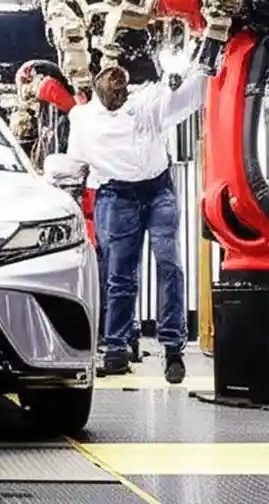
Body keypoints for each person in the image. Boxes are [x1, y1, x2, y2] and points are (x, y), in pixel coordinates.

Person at [65, 60, 208, 384]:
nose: (117, 99)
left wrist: (198, 66)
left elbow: (188, 96)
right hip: (116, 194)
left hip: (158, 190)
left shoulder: (145, 104)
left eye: (121, 94)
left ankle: (172, 349)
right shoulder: (84, 119)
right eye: (112, 96)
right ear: (99, 95)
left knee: (168, 266)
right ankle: (116, 348)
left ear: (126, 91)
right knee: (120, 276)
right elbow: (75, 164)